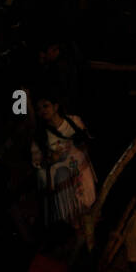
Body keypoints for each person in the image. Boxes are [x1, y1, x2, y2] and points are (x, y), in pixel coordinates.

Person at [29, 92, 97, 242]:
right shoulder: (41, 136)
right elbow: (38, 163)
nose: (43, 111)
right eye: (39, 108)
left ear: (55, 106)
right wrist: (51, 159)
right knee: (73, 220)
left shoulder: (74, 121)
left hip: (80, 173)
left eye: (45, 106)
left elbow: (86, 142)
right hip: (63, 184)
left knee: (88, 210)